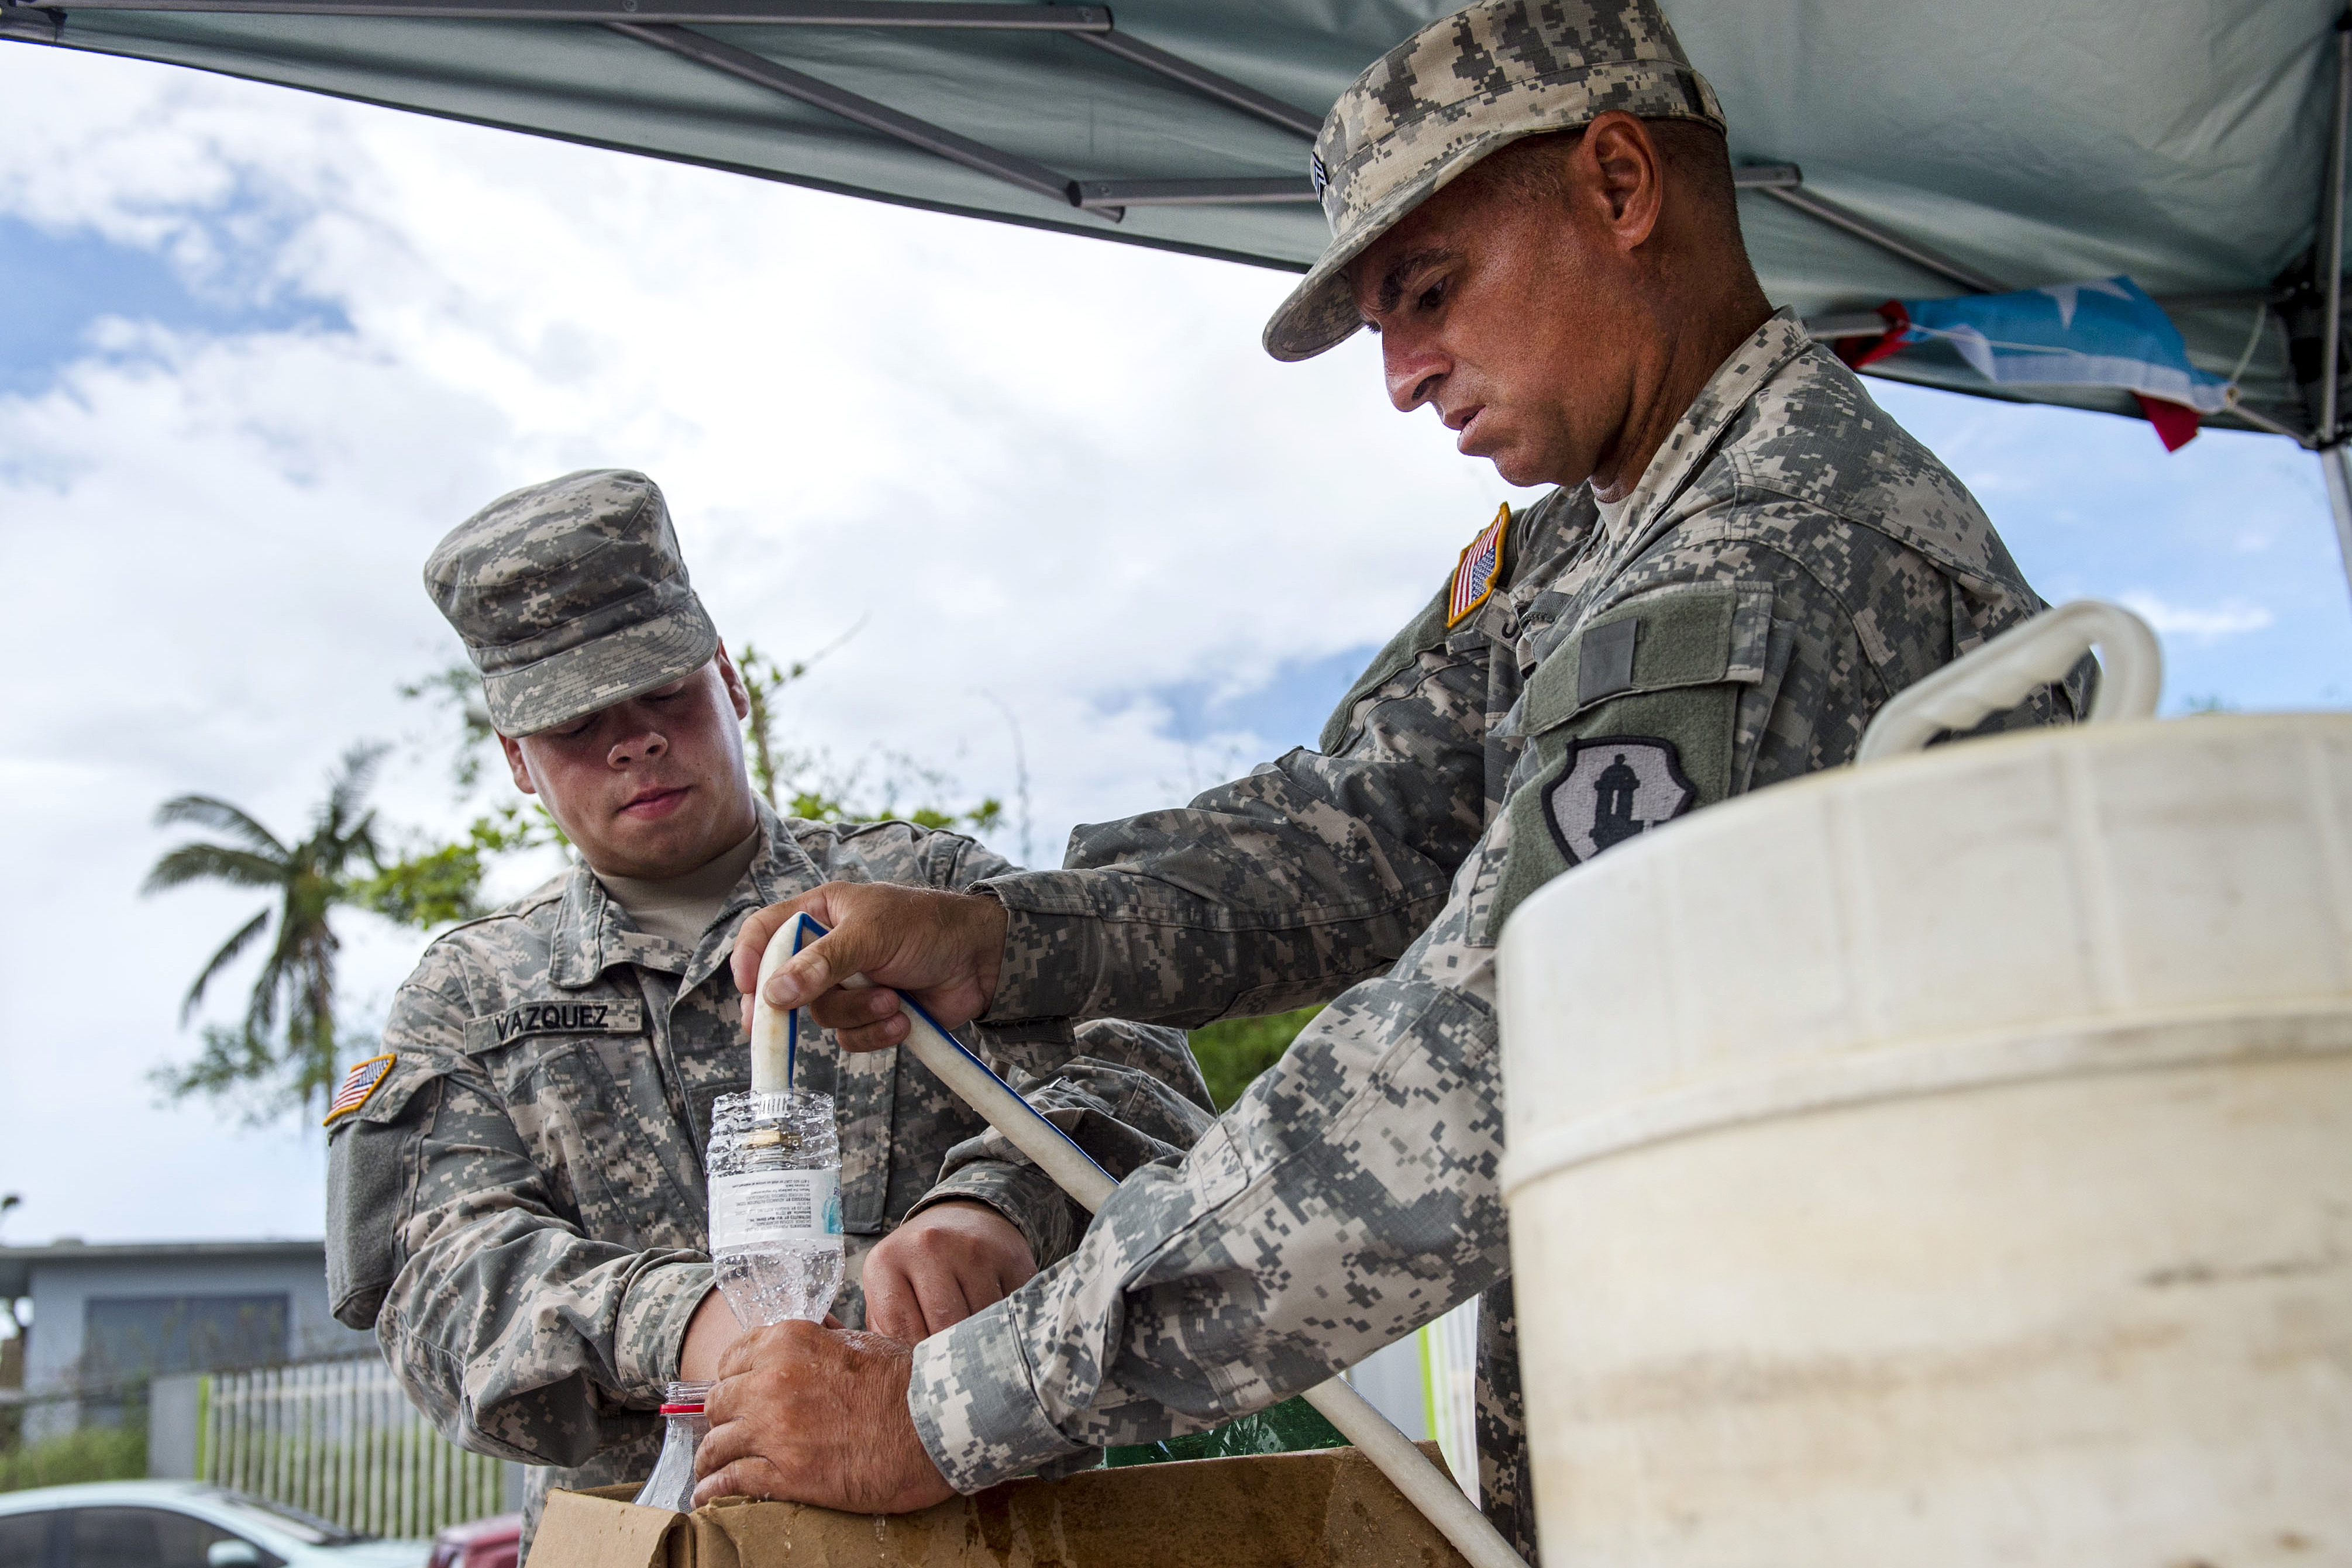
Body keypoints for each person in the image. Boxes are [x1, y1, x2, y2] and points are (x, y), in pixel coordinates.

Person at [687, 0, 2089, 1557]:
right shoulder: (1599, 541)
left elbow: (1470, 1074)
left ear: (1618, 189)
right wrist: (1005, 935)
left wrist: (945, 1407)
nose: (1404, 379)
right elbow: (1351, 827)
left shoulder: (1779, 559)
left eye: (1428, 292)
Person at [320, 468, 1211, 1550]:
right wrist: (696, 1326)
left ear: (730, 681)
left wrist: (996, 1207)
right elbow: (434, 1290)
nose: (633, 740)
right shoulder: (471, 995)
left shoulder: (923, 893)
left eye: (663, 691)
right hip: (657, 1543)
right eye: (573, 722)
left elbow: (1145, 1076)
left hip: (992, 1535)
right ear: (515, 759)